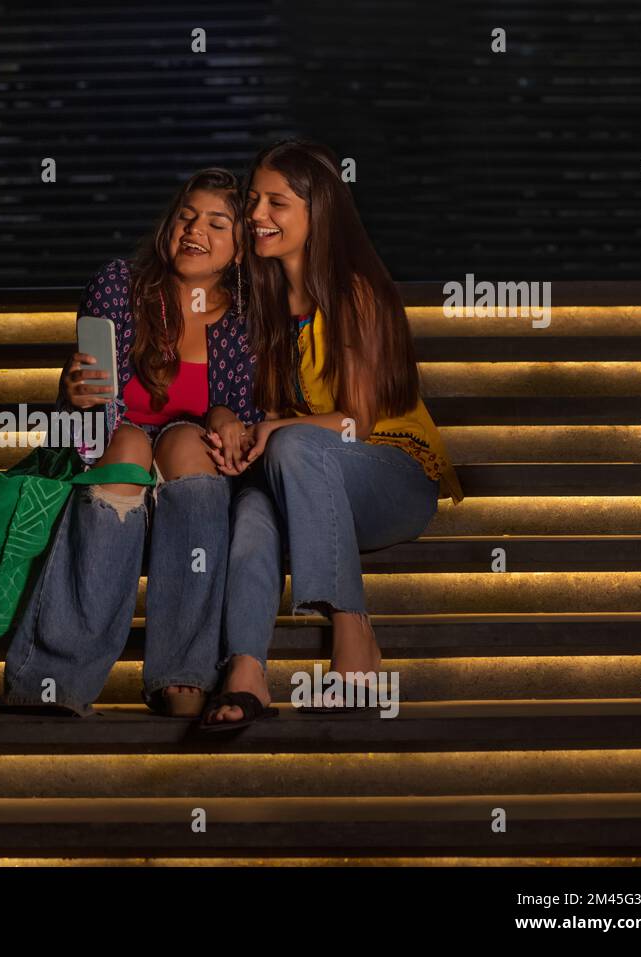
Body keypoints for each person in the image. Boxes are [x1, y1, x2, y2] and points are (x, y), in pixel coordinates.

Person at [202, 139, 465, 729]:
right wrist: (232, 427)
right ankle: (246, 672)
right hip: (307, 484)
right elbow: (233, 394)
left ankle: (354, 634)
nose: (256, 215)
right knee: (251, 505)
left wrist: (273, 428)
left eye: (276, 203)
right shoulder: (261, 301)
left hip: (390, 476)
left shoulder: (355, 292)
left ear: (317, 211)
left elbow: (356, 423)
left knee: (292, 445)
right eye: (253, 201)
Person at [0, 168, 261, 718]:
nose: (195, 230)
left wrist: (227, 418)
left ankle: (184, 673)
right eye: (187, 216)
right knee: (130, 448)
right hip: (111, 446)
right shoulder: (120, 284)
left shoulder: (246, 317)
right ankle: (52, 677)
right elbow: (86, 412)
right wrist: (72, 395)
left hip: (191, 467)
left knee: (189, 446)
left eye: (217, 223)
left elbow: (243, 417)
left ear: (239, 251)